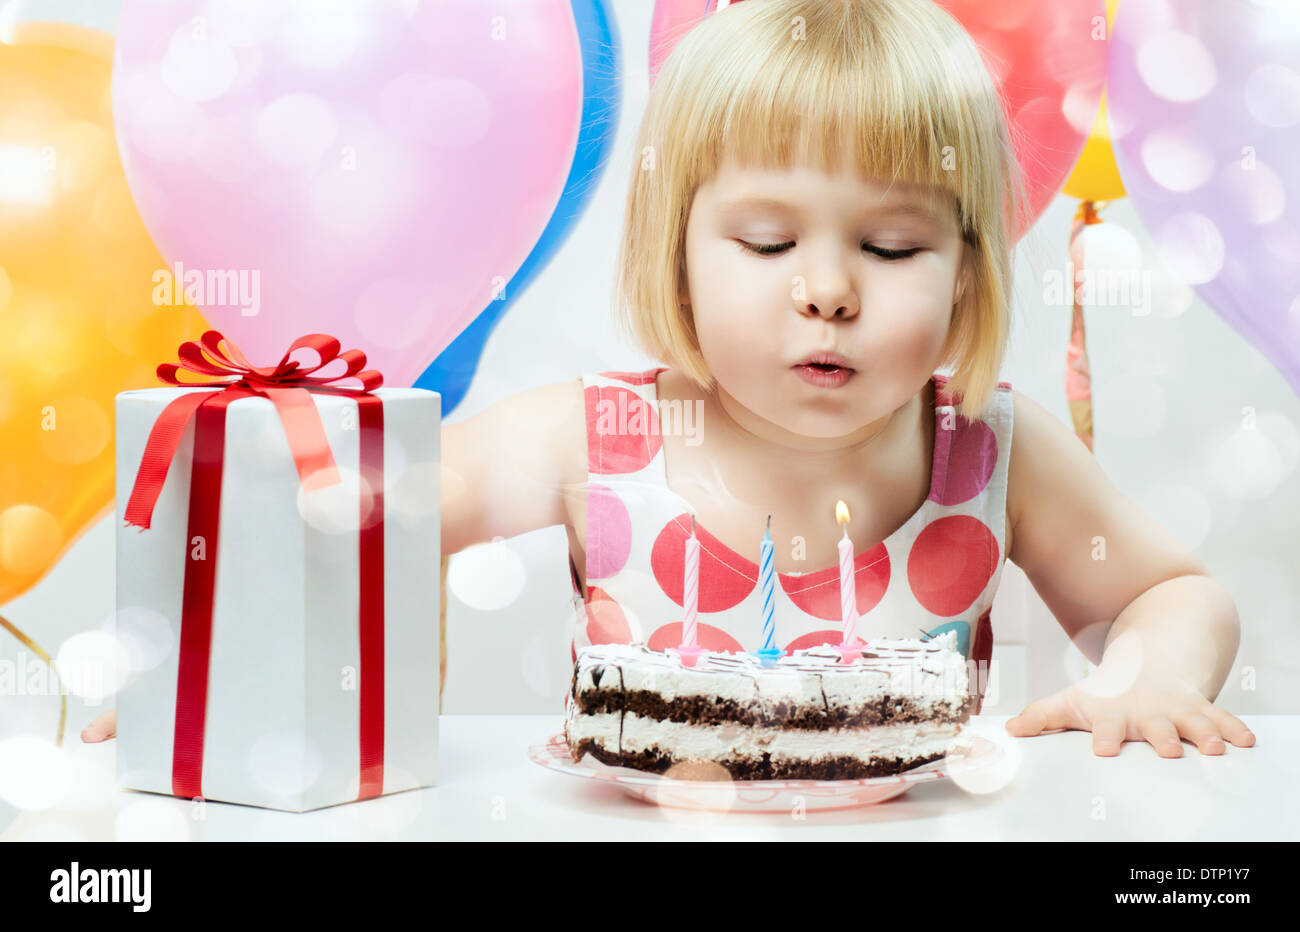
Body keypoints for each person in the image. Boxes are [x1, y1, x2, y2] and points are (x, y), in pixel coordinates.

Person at [84, 0, 1253, 758]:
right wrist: (196, 691)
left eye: (892, 247)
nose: (829, 290)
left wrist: (1143, 683)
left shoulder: (993, 449)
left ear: (964, 271)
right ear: (677, 254)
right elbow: (334, 525)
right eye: (766, 241)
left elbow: (1172, 593)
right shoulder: (586, 439)